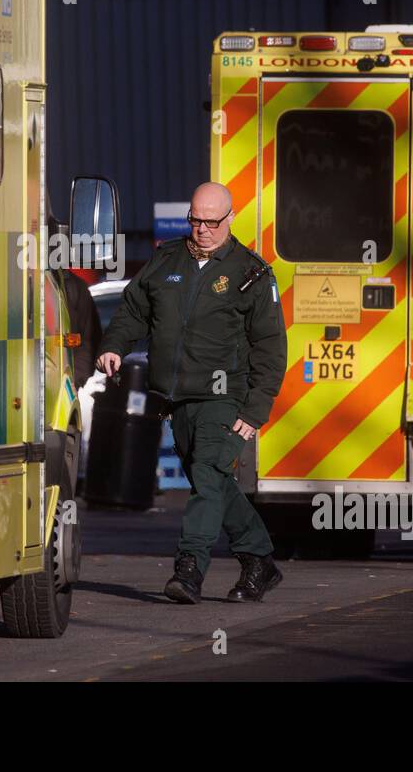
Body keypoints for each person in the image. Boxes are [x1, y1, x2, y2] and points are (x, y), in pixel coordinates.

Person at [95, 182, 287, 603]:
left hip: (224, 398)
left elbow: (271, 350)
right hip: (175, 398)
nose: (201, 229)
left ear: (230, 218)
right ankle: (259, 561)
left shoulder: (251, 274)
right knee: (215, 478)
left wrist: (255, 411)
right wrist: (113, 346)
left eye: (211, 222)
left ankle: (189, 568)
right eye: (195, 220)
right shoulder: (167, 260)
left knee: (206, 475)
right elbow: (133, 311)